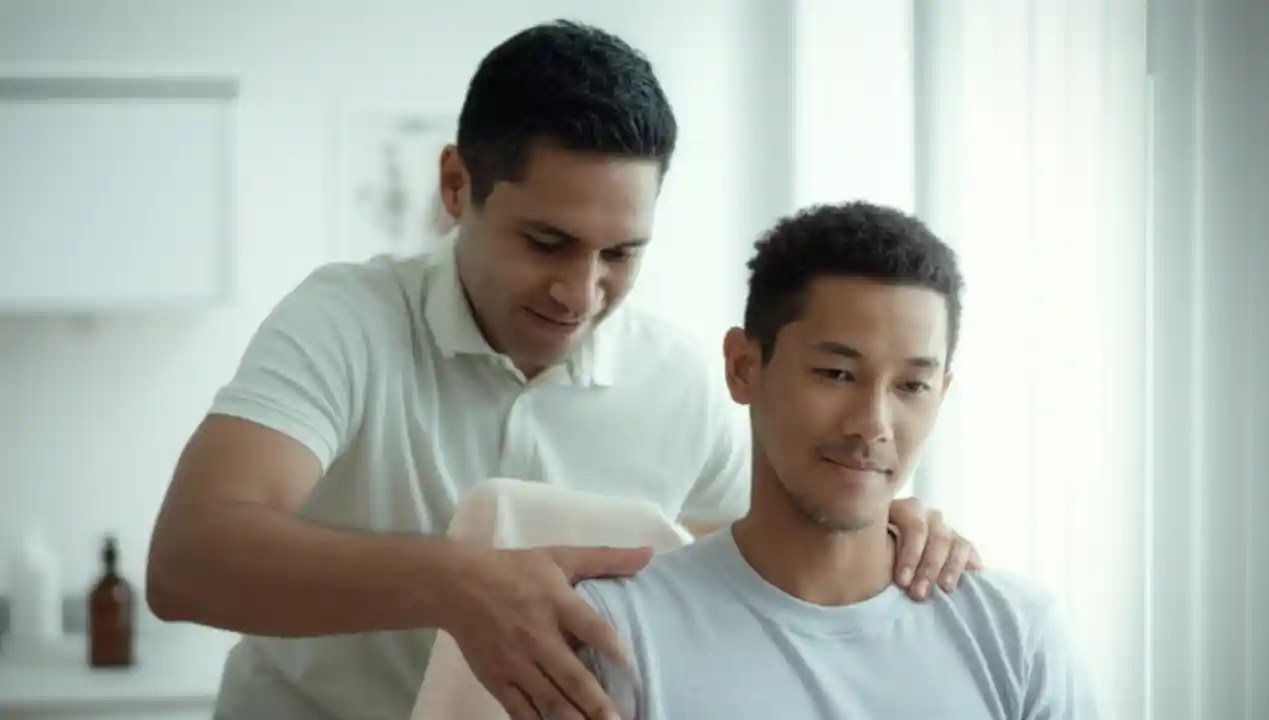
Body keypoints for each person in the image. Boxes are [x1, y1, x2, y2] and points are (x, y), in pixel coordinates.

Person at [145, 21, 980, 720]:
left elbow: (763, 560)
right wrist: (459, 585)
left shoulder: (677, 382)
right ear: (455, 185)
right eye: (546, 243)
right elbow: (189, 560)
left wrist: (882, 522)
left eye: (620, 253)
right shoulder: (349, 321)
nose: (581, 295)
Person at [576, 201, 1102, 719]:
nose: (872, 424)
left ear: (941, 395)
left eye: (911, 386)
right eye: (836, 374)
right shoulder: (618, 630)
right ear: (743, 368)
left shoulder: (1018, 636)